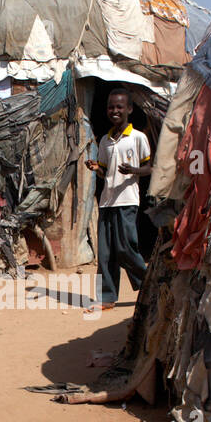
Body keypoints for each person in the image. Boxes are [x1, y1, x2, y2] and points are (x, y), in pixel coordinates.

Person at [84, 87, 151, 312]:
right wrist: (96, 168)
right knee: (105, 254)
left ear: (129, 109)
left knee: (126, 248)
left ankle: (148, 285)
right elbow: (105, 171)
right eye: (111, 107)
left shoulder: (138, 137)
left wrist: (133, 170)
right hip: (107, 201)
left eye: (119, 107)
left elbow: (150, 168)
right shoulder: (105, 140)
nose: (114, 110)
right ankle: (107, 297)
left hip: (128, 201)